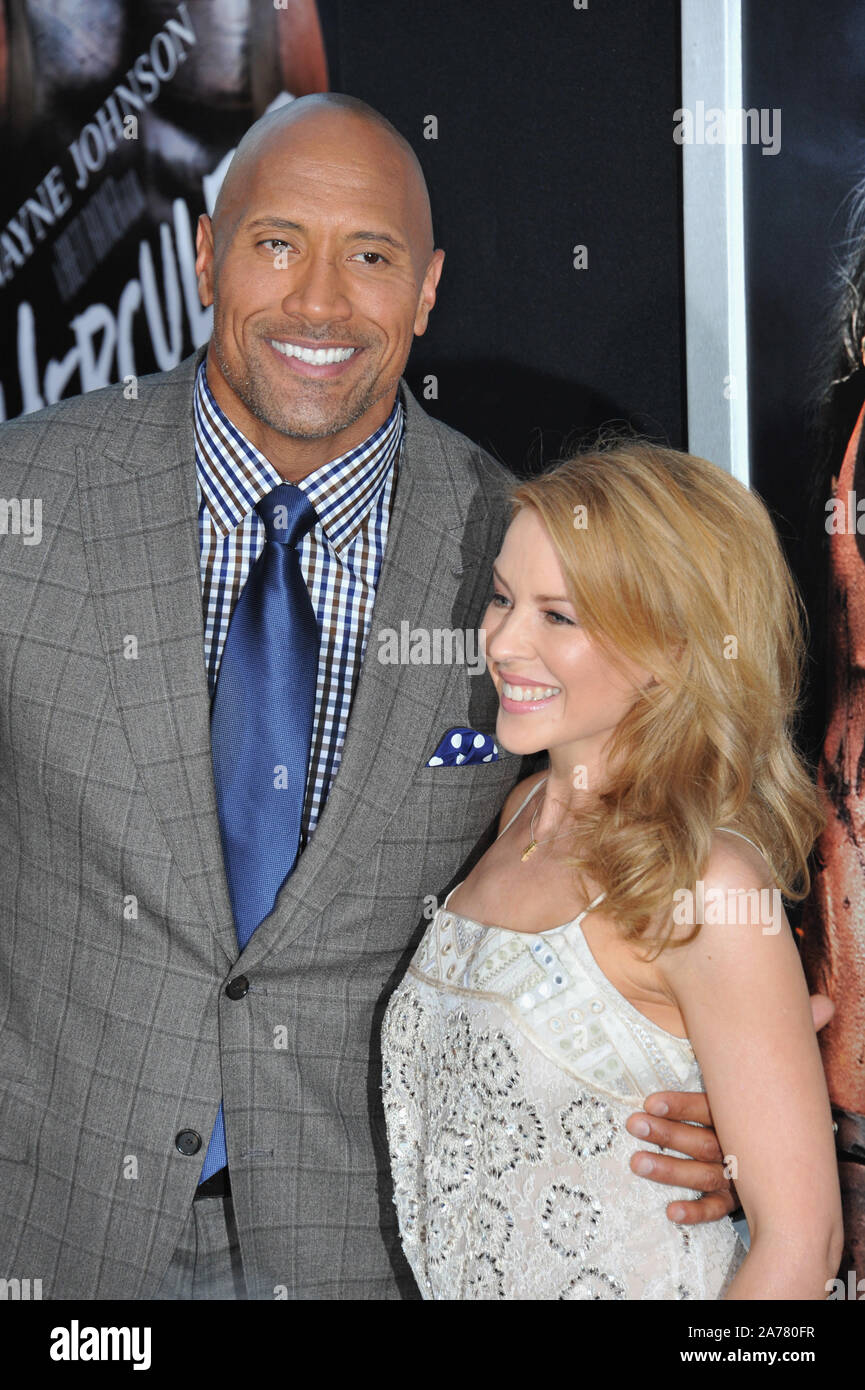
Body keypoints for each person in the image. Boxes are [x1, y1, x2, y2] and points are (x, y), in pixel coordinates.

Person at [0, 93, 822, 1300]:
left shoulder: (524, 543)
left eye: (370, 257)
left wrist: (718, 1098)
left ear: (427, 290)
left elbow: (670, 852)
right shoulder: (26, 503)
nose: (321, 302)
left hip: (363, 1252)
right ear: (201, 254)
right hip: (51, 1239)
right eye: (276, 242)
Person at [382, 439, 844, 1299]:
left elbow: (801, 1248)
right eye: (501, 598)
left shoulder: (705, 884)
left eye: (559, 617)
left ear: (672, 646)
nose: (504, 643)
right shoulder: (518, 811)